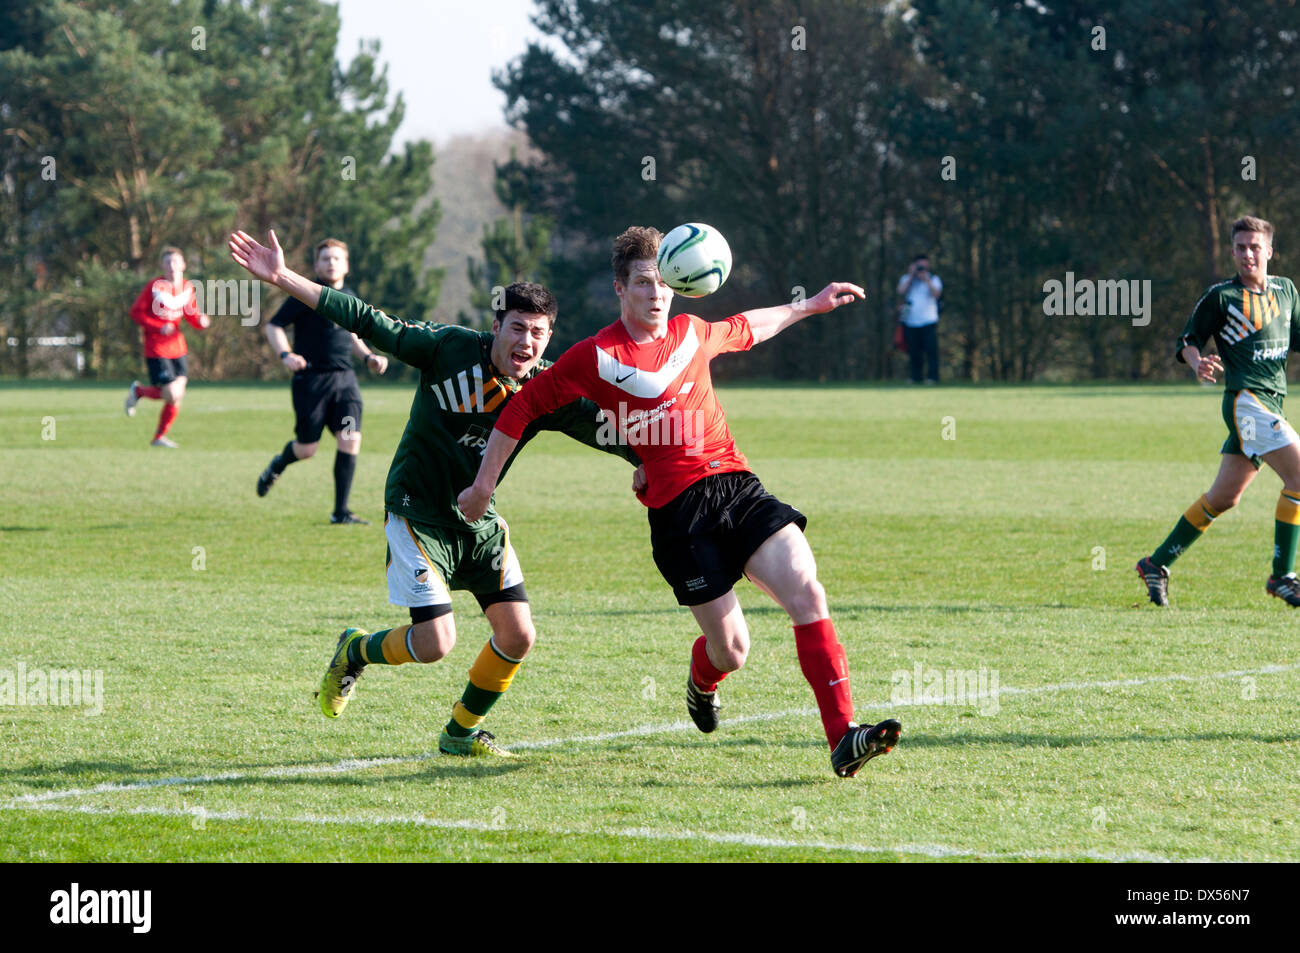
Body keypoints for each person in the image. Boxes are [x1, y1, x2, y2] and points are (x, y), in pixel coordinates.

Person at [458, 226, 903, 778]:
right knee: (732, 650)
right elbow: (520, 410)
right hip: (679, 518)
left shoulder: (693, 331)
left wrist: (809, 305)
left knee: (808, 589)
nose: (656, 293)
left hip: (737, 487)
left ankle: (843, 736)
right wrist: (482, 486)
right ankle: (703, 679)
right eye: (643, 282)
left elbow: (749, 327)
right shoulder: (593, 356)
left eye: (663, 282)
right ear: (621, 289)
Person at [229, 228, 639, 757]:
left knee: (518, 636)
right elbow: (365, 318)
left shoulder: (543, 388)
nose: (527, 343)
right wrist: (283, 277)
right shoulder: (446, 348)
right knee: (435, 644)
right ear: (496, 326)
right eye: (517, 328)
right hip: (416, 512)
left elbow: (602, 428)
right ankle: (356, 650)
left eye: (539, 334)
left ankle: (459, 734)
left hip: (476, 520)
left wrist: (651, 460)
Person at [1137, 216, 1300, 607]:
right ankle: (1283, 576)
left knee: (1224, 498)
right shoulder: (1221, 297)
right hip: (1246, 402)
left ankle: (1155, 564)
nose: (1247, 254)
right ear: (1232, 251)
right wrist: (1197, 364)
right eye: (1241, 247)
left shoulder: (1287, 292)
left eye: (1255, 247)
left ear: (1270, 252)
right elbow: (1188, 339)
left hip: (1271, 403)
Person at [255, 238, 387, 525]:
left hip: (345, 381)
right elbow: (274, 325)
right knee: (306, 449)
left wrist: (368, 357)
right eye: (325, 258)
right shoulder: (306, 294)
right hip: (311, 381)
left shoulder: (350, 298)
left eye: (337, 258)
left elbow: (353, 335)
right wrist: (286, 354)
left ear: (346, 265)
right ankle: (278, 464)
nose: (331, 263)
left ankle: (340, 512)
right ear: (316, 265)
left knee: (350, 439)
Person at [124, 246, 210, 446]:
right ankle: (138, 392)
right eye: (167, 262)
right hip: (157, 348)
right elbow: (136, 312)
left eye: (175, 262)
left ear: (183, 265)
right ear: (162, 266)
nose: (171, 266)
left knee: (177, 396)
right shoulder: (154, 287)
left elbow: (191, 314)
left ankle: (159, 437)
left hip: (178, 347)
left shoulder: (187, 287)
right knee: (171, 392)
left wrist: (200, 321)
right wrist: (158, 326)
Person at [896, 253, 942, 385]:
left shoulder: (933, 279)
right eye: (919, 266)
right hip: (911, 321)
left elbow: (937, 294)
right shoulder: (907, 278)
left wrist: (926, 280)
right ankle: (915, 377)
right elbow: (900, 291)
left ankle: (932, 377)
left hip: (929, 320)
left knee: (931, 351)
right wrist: (911, 276)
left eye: (924, 266)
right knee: (914, 352)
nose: (921, 268)